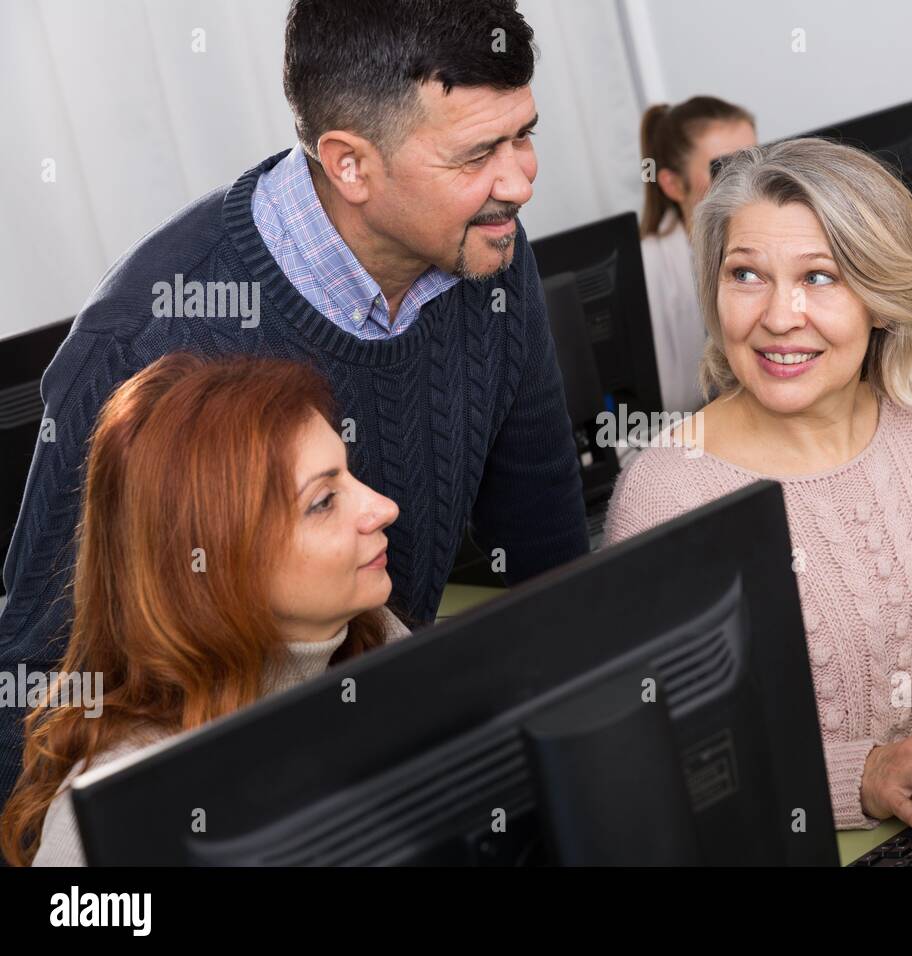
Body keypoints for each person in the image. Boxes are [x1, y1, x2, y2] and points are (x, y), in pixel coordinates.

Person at [0, 0, 588, 810]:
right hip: (219, 800)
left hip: (376, 760)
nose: (519, 181)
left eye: (524, 134)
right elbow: (34, 691)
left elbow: (545, 546)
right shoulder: (145, 343)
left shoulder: (483, 249)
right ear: (349, 164)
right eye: (479, 153)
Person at [604, 138, 912, 831]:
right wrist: (859, 772)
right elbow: (669, 758)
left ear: (883, 297)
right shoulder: (668, 496)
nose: (777, 316)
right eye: (746, 275)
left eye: (819, 278)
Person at [0, 353, 411, 866]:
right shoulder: (113, 814)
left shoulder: (374, 637)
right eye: (323, 501)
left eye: (348, 476)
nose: (383, 507)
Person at [639, 97, 757, 416]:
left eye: (753, 161)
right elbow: (665, 404)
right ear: (674, 185)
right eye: (723, 170)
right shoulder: (647, 271)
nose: (745, 181)